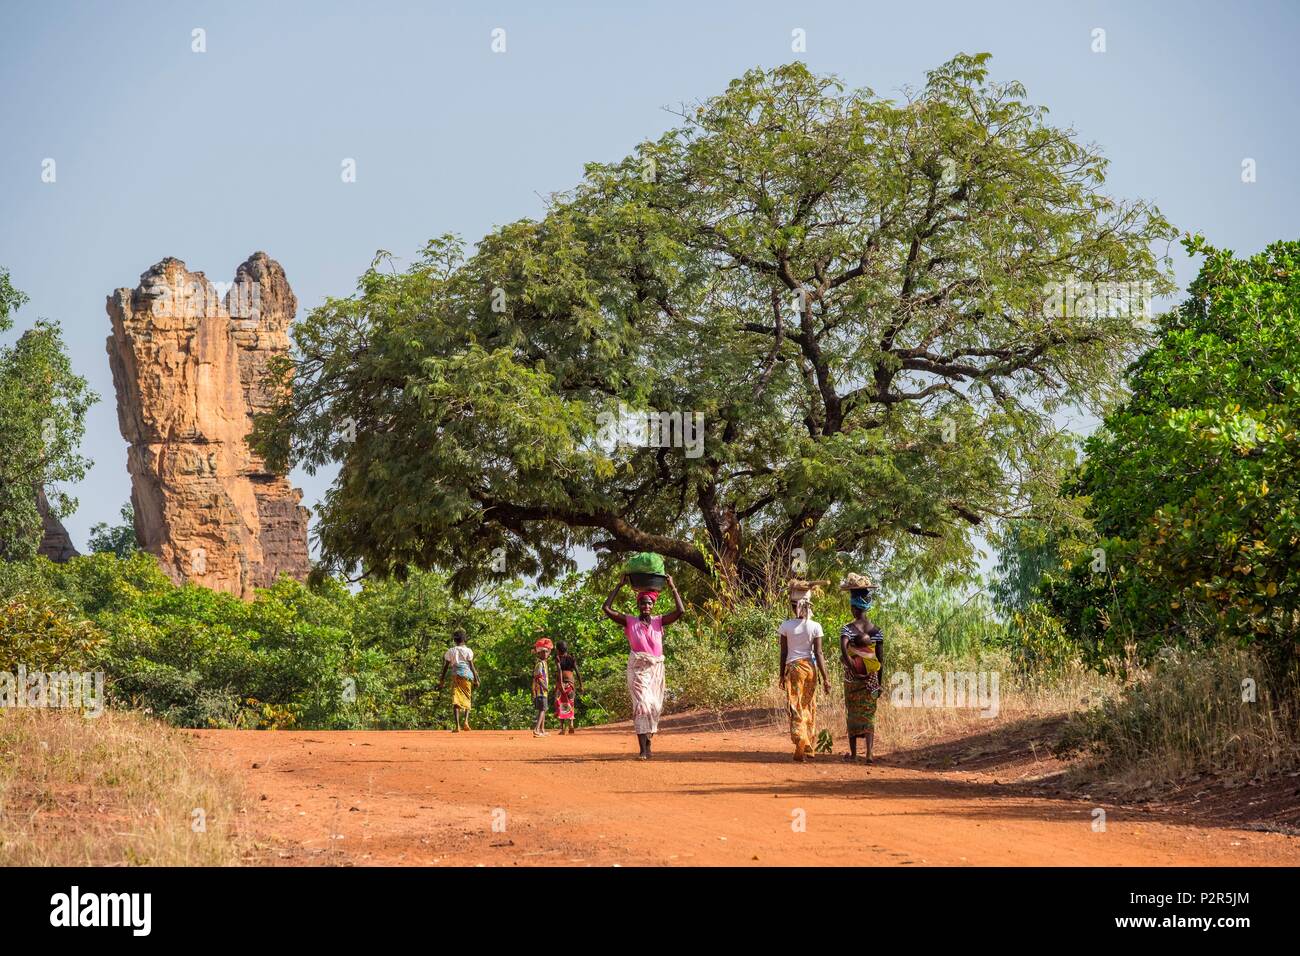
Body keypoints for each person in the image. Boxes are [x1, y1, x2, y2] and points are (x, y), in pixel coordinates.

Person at [602, 572, 686, 759]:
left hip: (656, 669)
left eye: (649, 603)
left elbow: (681, 611)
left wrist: (672, 586)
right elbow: (606, 608)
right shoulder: (630, 621)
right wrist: (619, 585)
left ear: (652, 605)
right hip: (638, 668)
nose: (646, 606)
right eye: (643, 603)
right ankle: (642, 751)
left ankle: (649, 746)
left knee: (654, 707)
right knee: (642, 705)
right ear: (638, 605)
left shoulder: (659, 621)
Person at [778, 590, 831, 762]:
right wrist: (826, 678)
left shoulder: (786, 626)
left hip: (794, 669)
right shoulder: (816, 626)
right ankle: (809, 744)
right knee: (809, 705)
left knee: (795, 705)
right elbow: (819, 653)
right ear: (808, 606)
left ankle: (801, 739)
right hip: (811, 668)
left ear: (794, 607)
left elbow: (784, 652)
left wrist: (781, 674)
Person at [838, 574, 884, 763]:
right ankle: (870, 753)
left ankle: (855, 754)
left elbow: (843, 649)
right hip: (871, 679)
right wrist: (878, 683)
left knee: (852, 713)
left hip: (852, 679)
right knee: (868, 713)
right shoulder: (876, 630)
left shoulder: (847, 629)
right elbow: (880, 659)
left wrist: (854, 669)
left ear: (854, 607)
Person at [436, 629, 479, 732]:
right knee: (467, 697)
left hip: (456, 676)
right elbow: (472, 667)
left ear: (454, 640)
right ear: (464, 639)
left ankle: (457, 726)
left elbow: (445, 667)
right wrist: (476, 679)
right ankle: (466, 722)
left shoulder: (451, 651)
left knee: (456, 700)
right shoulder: (468, 651)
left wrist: (441, 679)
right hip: (467, 676)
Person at [553, 640, 583, 734]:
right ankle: (571, 724)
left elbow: (559, 671)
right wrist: (581, 685)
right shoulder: (571, 658)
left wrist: (561, 684)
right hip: (570, 684)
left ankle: (562, 728)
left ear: (558, 650)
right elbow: (577, 672)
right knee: (570, 703)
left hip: (561, 684)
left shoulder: (558, 658)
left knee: (560, 703)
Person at [531, 638, 553, 737]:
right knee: (542, 709)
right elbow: (538, 678)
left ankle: (542, 729)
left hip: (543, 691)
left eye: (546, 652)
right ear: (539, 654)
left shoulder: (544, 663)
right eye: (543, 652)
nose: (545, 654)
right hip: (540, 690)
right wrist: (545, 687)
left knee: (544, 708)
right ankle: (536, 729)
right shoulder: (540, 664)